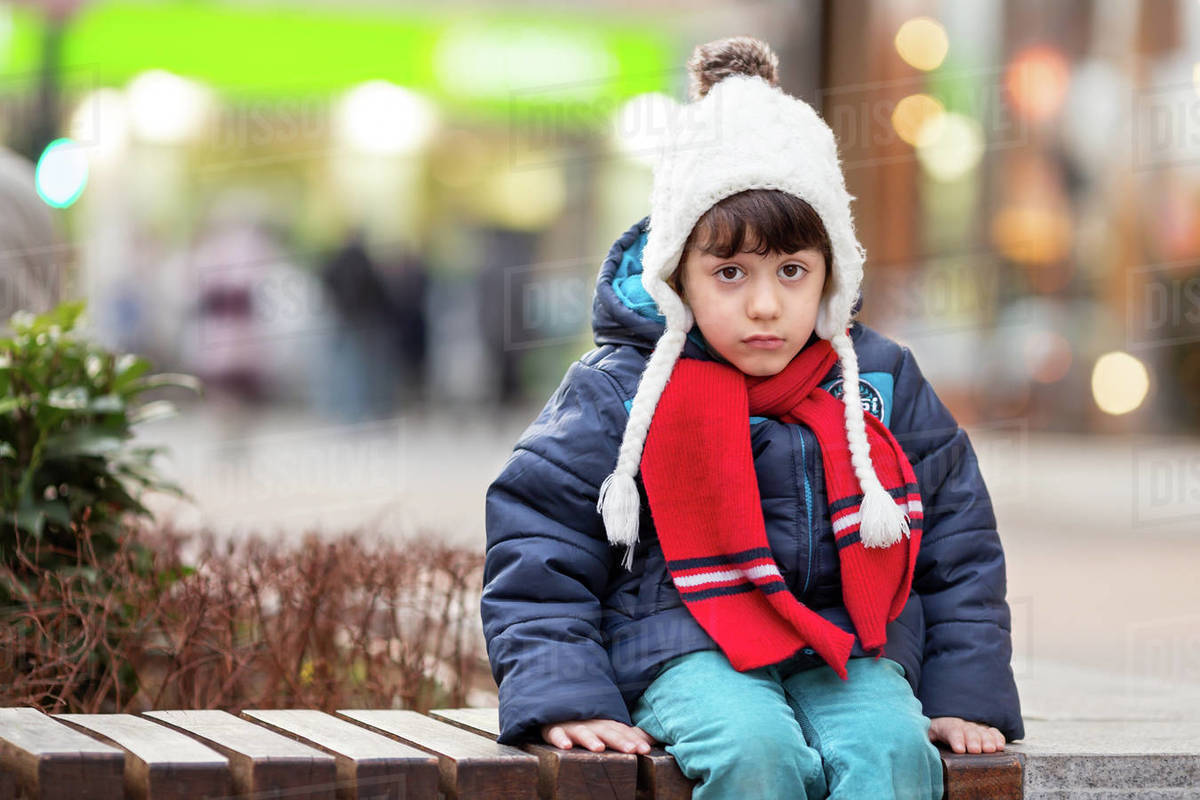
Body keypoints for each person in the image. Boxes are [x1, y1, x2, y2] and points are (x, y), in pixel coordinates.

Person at [481, 37, 1023, 799]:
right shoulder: (622, 391)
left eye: (792, 271)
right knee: (756, 751)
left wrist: (965, 695)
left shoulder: (879, 381)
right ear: (674, 272)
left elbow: (958, 548)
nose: (765, 304)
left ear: (832, 272)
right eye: (729, 272)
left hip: (851, 648)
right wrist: (565, 694)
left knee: (893, 754)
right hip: (682, 644)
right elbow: (540, 547)